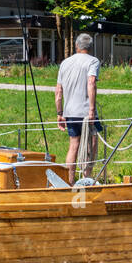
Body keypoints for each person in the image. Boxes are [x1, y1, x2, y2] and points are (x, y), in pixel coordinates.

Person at [55, 32, 103, 185]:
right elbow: (91, 83)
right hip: (86, 113)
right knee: (91, 144)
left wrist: (60, 113)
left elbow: (58, 91)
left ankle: (69, 182)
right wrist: (91, 110)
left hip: (70, 112)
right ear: (90, 47)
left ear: (76, 46)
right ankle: (86, 181)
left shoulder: (65, 63)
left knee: (73, 146)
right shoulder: (93, 61)